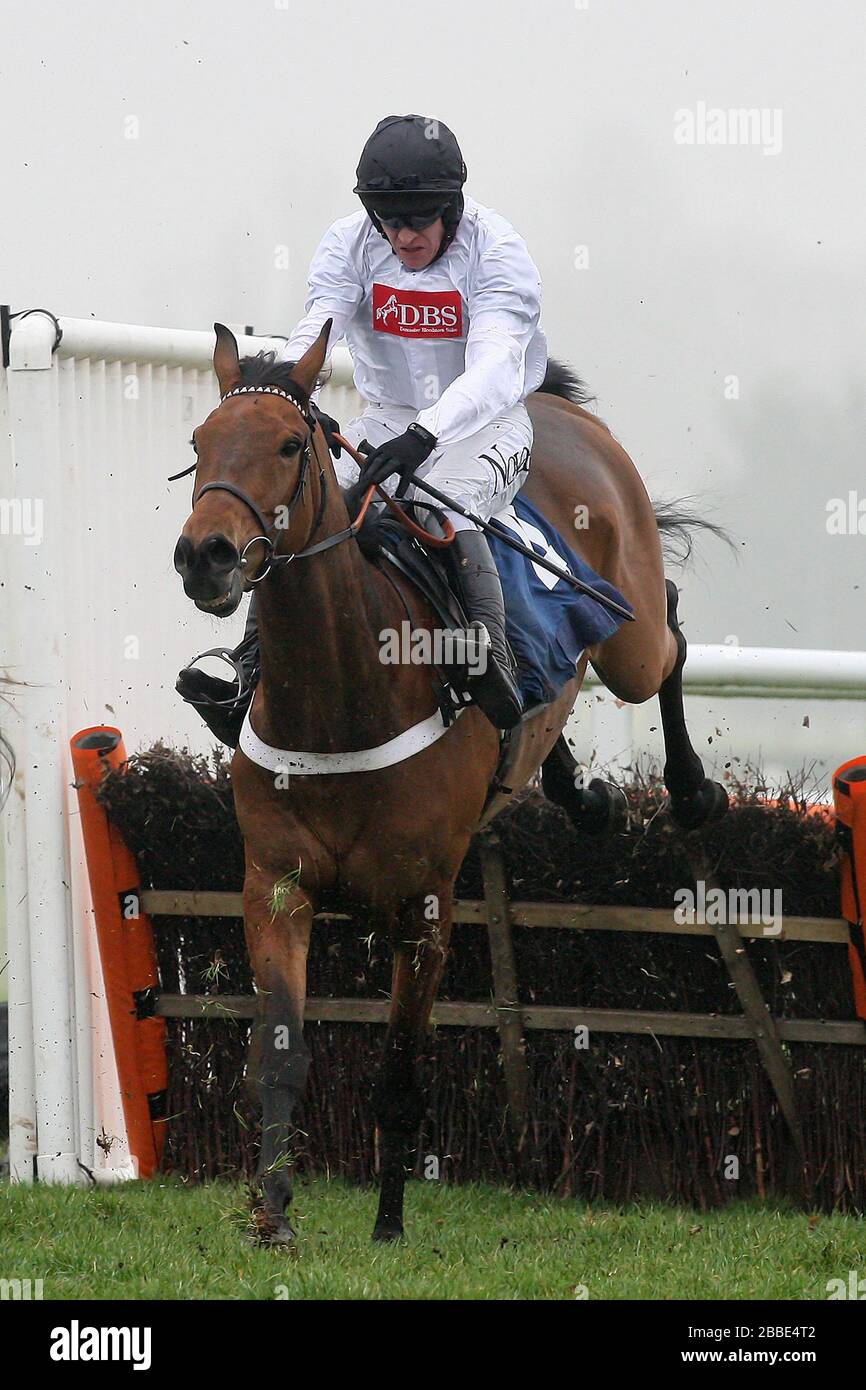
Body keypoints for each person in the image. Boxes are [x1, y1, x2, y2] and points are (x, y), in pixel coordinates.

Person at [179, 113, 548, 742]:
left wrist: (427, 433)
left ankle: (488, 651)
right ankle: (248, 663)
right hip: (383, 421)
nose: (401, 238)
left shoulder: (498, 249)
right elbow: (318, 328)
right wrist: (290, 395)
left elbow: (492, 369)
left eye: (418, 221)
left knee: (445, 504)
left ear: (452, 208)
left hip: (486, 427)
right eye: (388, 221)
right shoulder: (349, 242)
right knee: (299, 505)